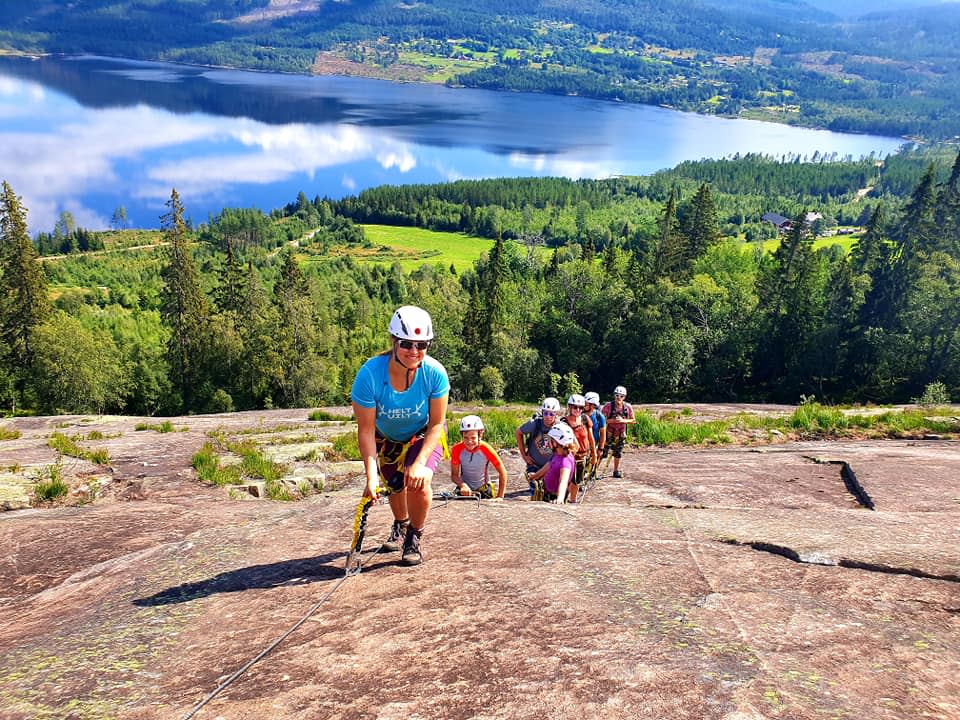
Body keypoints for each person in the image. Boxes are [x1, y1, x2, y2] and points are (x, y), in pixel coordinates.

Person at [351, 305, 450, 566]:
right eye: (407, 344)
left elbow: (437, 424)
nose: (415, 351)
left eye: (422, 344)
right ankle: (401, 523)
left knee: (418, 480)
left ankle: (414, 537)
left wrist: (419, 464)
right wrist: (371, 477)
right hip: (386, 437)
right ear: (393, 341)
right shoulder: (370, 375)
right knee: (394, 484)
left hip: (424, 432)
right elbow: (366, 430)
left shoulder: (434, 373)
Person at [450, 415, 507, 500]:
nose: (469, 442)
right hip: (465, 489)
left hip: (484, 490)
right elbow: (454, 475)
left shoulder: (486, 448)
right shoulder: (457, 449)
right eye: (465, 438)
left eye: (473, 438)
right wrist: (462, 485)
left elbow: (503, 472)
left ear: (480, 436)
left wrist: (500, 496)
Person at [516, 397, 562, 494]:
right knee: (535, 492)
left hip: (551, 466)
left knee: (550, 493)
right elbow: (519, 432)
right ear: (542, 412)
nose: (548, 416)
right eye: (545, 413)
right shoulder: (535, 424)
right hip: (534, 465)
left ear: (556, 414)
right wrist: (524, 455)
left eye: (551, 414)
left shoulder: (560, 427)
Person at [527, 424, 577, 503]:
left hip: (554, 497)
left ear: (555, 443)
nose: (547, 443)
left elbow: (563, 481)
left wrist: (560, 498)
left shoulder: (565, 462)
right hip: (547, 492)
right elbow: (549, 465)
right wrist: (535, 476)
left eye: (550, 440)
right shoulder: (557, 454)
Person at [560, 393, 596, 503]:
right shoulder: (563, 422)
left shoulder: (585, 419)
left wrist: (594, 453)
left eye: (580, 407)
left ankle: (573, 500)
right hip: (569, 457)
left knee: (576, 481)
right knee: (566, 480)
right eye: (575, 407)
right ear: (570, 407)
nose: (578, 410)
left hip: (583, 457)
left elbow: (591, 438)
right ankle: (562, 499)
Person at [601, 385, 635, 478]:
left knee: (618, 453)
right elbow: (602, 420)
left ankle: (616, 471)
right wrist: (613, 420)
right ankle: (594, 470)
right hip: (609, 433)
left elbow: (633, 420)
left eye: (621, 396)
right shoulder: (608, 406)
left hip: (621, 433)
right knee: (603, 452)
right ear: (614, 395)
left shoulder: (627, 407)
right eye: (617, 395)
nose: (619, 398)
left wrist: (623, 421)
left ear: (624, 397)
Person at [584, 391, 607, 469]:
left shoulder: (599, 416)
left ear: (592, 406)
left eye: (586, 404)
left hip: (593, 444)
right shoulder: (579, 415)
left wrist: (600, 449)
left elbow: (603, 434)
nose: (584, 406)